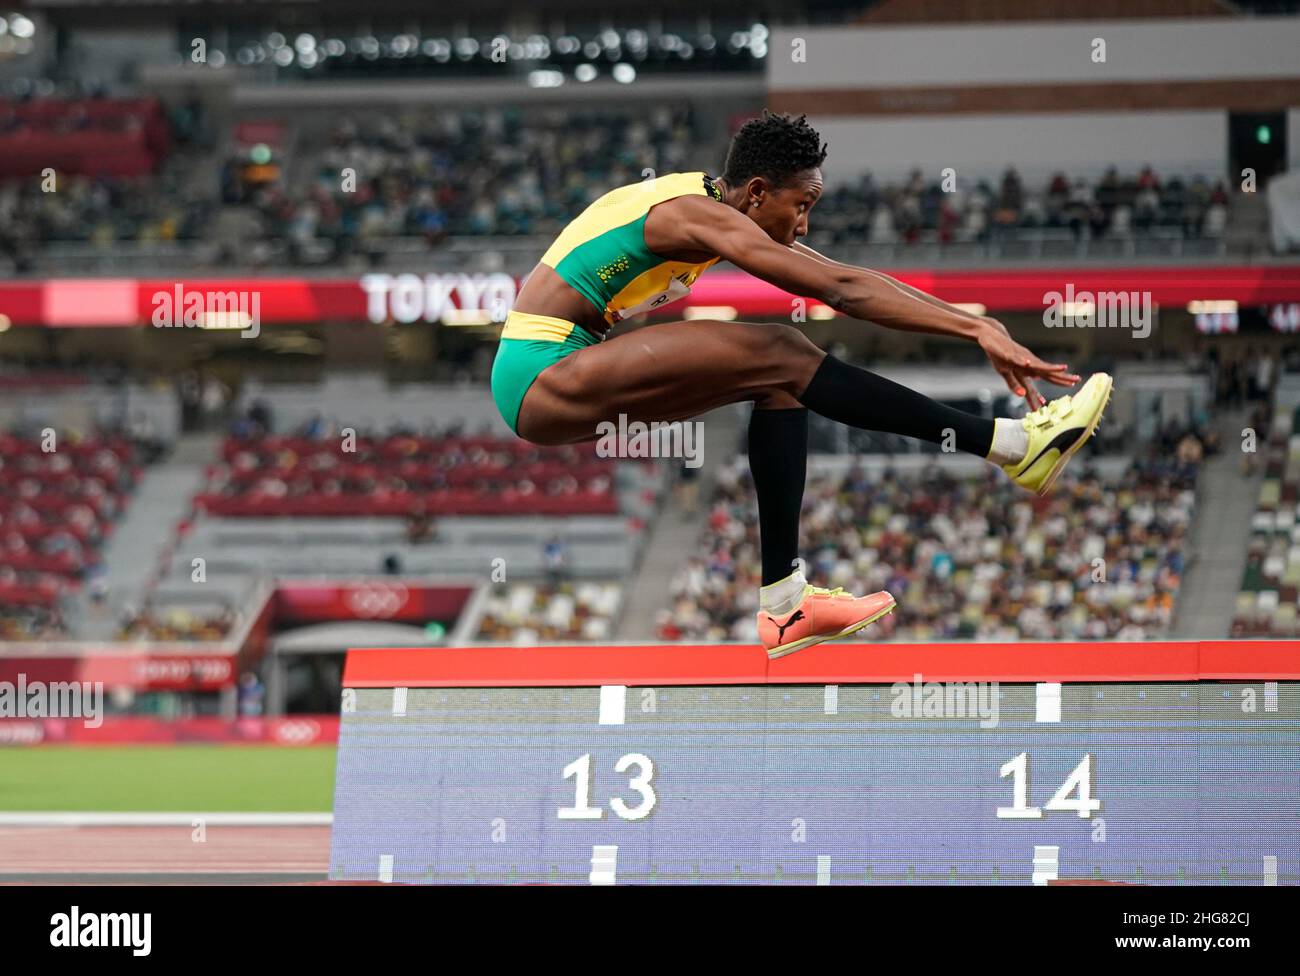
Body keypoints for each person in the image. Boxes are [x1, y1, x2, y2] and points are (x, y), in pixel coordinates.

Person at [491, 111, 1111, 659]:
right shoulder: (691, 214)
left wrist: (978, 324)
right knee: (781, 350)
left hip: (562, 373)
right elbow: (836, 291)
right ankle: (1012, 445)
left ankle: (786, 605)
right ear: (758, 192)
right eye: (803, 203)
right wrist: (976, 330)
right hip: (541, 371)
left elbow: (850, 278)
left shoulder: (718, 208)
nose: (806, 223)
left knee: (781, 382)